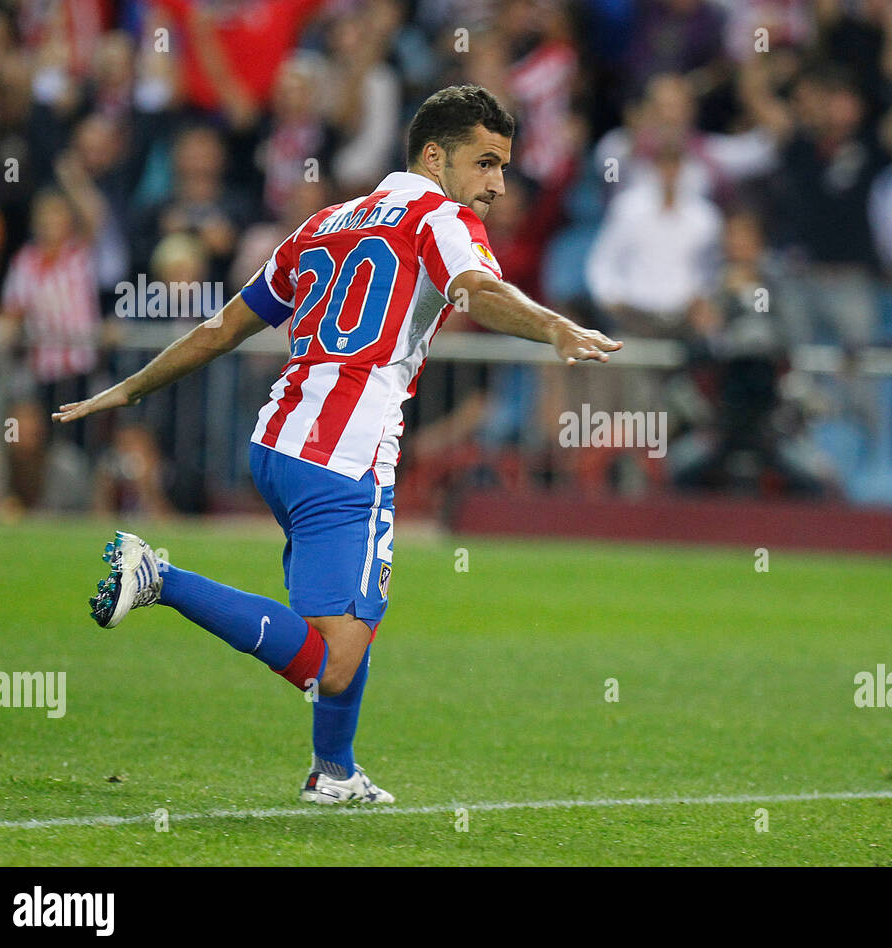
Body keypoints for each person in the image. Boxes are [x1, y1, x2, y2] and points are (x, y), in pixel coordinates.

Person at [51, 85, 621, 803]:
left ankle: (335, 772)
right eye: (485, 164)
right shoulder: (439, 219)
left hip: (277, 445)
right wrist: (555, 326)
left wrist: (130, 388)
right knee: (333, 659)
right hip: (345, 457)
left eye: (503, 169)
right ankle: (159, 576)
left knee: (352, 617)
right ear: (434, 156)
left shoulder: (325, 222)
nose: (497, 186)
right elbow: (475, 291)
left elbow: (222, 328)